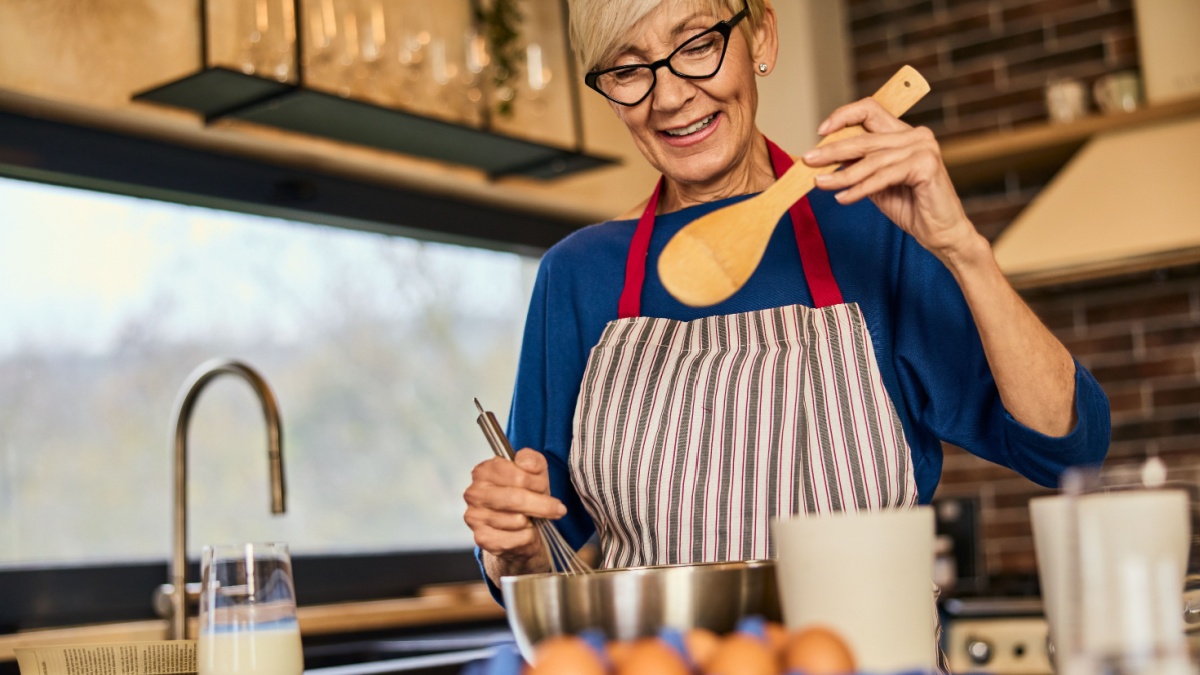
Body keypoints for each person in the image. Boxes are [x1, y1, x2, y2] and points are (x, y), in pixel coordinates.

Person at [463, 0, 1110, 592]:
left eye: (696, 45)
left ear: (761, 37)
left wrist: (963, 248)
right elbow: (543, 551)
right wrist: (511, 546)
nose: (670, 97)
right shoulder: (577, 276)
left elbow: (1065, 450)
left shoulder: (872, 228)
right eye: (628, 70)